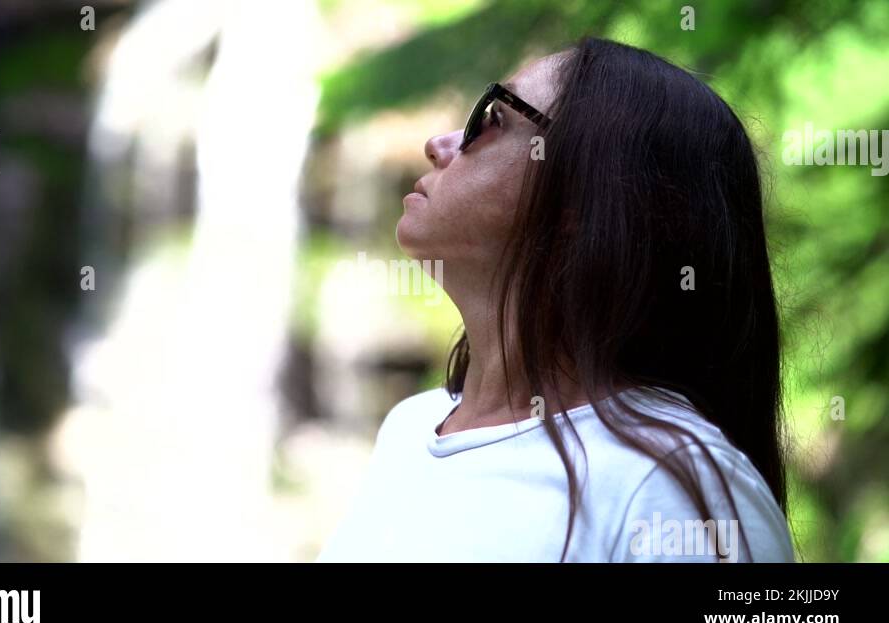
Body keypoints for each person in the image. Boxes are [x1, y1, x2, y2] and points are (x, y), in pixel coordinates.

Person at [316, 37, 796, 563]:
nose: (439, 143)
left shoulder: (672, 486)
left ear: (592, 196)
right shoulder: (410, 427)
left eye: (491, 117)